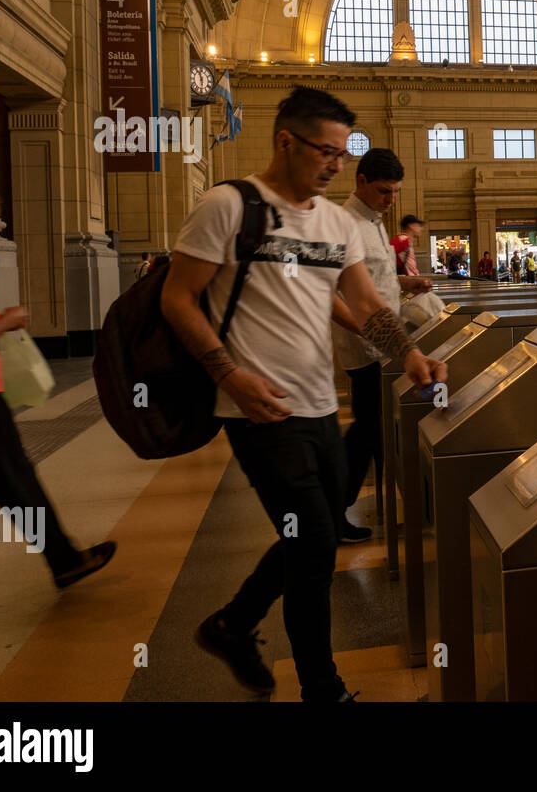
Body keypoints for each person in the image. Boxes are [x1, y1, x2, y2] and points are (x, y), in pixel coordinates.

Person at [161, 86, 446, 702]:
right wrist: (228, 374)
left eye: (344, 154)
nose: (337, 164)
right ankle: (324, 690)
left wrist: (409, 353)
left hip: (319, 404)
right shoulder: (229, 206)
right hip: (257, 408)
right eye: (327, 151)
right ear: (285, 141)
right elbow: (178, 298)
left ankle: (233, 623)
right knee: (315, 545)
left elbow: (364, 302)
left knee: (305, 537)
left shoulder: (336, 221)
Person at [0, 182, 117, 618]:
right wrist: (7, 320)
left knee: (15, 485)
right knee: (18, 484)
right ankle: (66, 562)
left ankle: (65, 561)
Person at [333, 147, 433, 544]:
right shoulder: (344, 224)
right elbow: (336, 295)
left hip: (385, 345)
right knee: (368, 430)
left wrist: (407, 284)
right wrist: (369, 330)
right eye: (383, 191)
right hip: (366, 349)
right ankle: (333, 510)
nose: (391, 199)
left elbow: (375, 279)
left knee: (375, 430)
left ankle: (391, 501)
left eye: (394, 192)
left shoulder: (373, 220)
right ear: (360, 182)